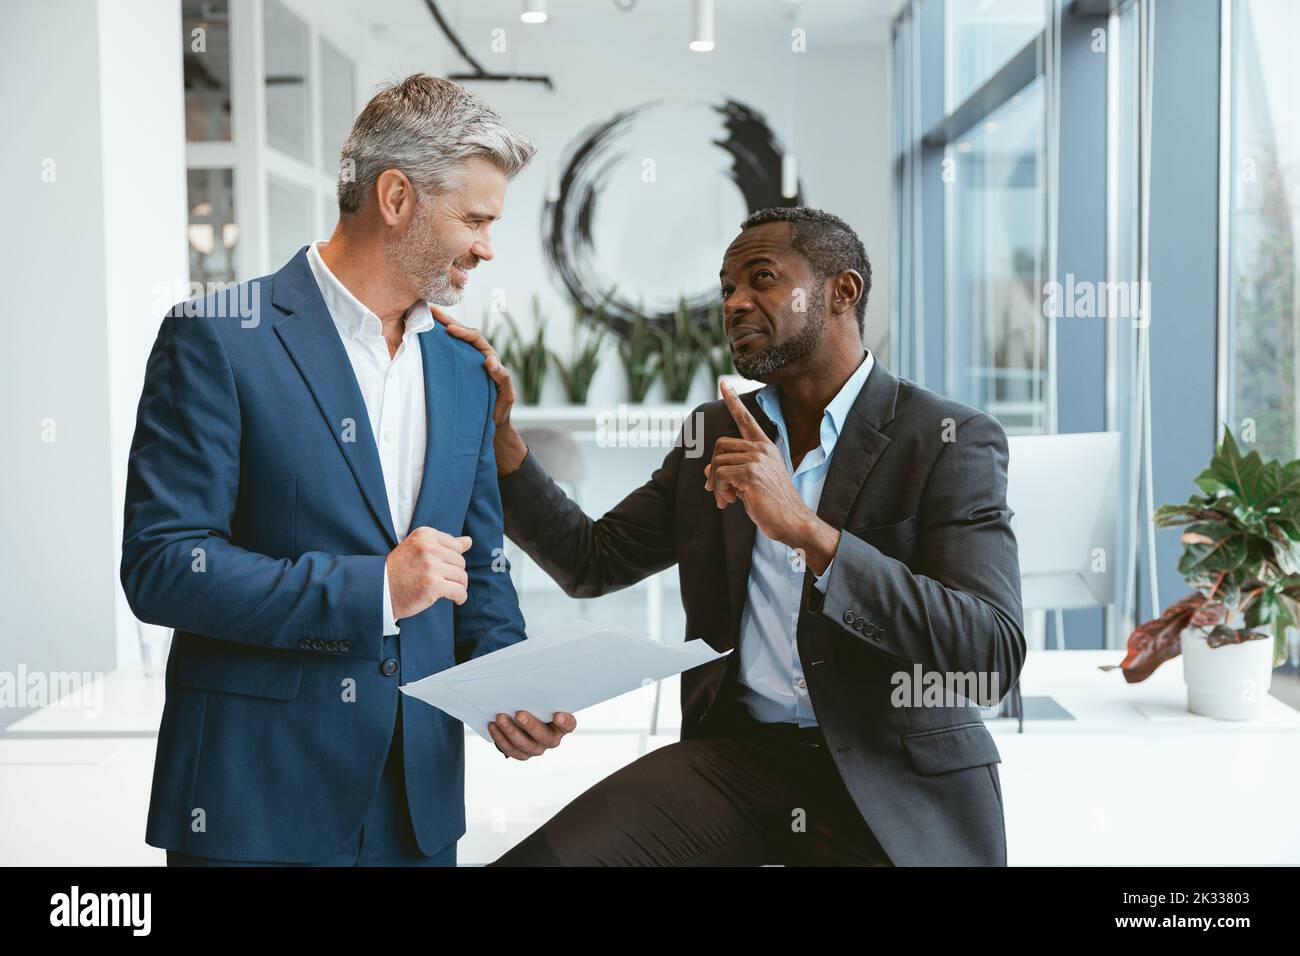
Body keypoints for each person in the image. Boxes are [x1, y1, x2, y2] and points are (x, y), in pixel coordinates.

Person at [442, 206, 1025, 866]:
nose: (736, 303)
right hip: (739, 761)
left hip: (893, 776)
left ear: (842, 291)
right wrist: (504, 445)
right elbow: (592, 561)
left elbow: (989, 655)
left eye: (762, 278)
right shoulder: (713, 432)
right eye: (726, 288)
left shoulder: (946, 438)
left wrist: (810, 534)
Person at [121, 74, 573, 867]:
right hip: (256, 798)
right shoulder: (219, 338)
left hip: (418, 804)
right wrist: (373, 590)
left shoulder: (465, 370)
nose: (486, 247)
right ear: (396, 197)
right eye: (474, 218)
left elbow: (479, 568)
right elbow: (162, 566)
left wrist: (506, 681)